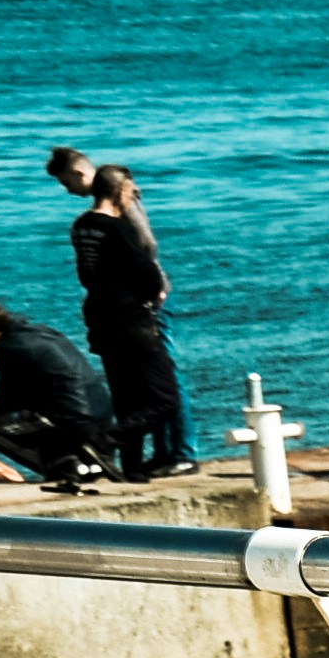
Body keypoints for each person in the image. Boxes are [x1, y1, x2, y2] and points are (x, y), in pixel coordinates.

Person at [72, 164, 193, 481]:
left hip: (99, 317)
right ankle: (105, 440)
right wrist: (154, 294)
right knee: (165, 398)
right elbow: (146, 270)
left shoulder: (82, 226)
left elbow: (86, 274)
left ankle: (132, 468)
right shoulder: (116, 228)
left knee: (126, 396)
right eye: (129, 191)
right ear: (118, 191)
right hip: (131, 320)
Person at [0, 300, 114, 486]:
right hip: (101, 410)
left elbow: (7, 395)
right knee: (42, 413)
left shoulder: (9, 350)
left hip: (74, 418)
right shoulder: (43, 331)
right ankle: (87, 461)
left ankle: (63, 465)